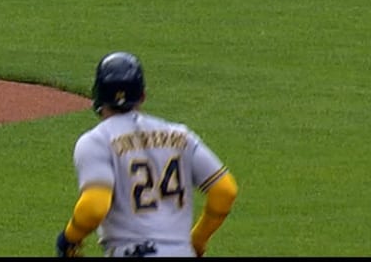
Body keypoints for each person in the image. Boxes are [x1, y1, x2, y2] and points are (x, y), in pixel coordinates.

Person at [56, 52, 238, 258]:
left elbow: (94, 207)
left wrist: (70, 238)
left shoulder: (96, 141)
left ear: (98, 96)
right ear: (142, 96)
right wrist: (197, 240)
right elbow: (225, 190)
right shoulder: (181, 135)